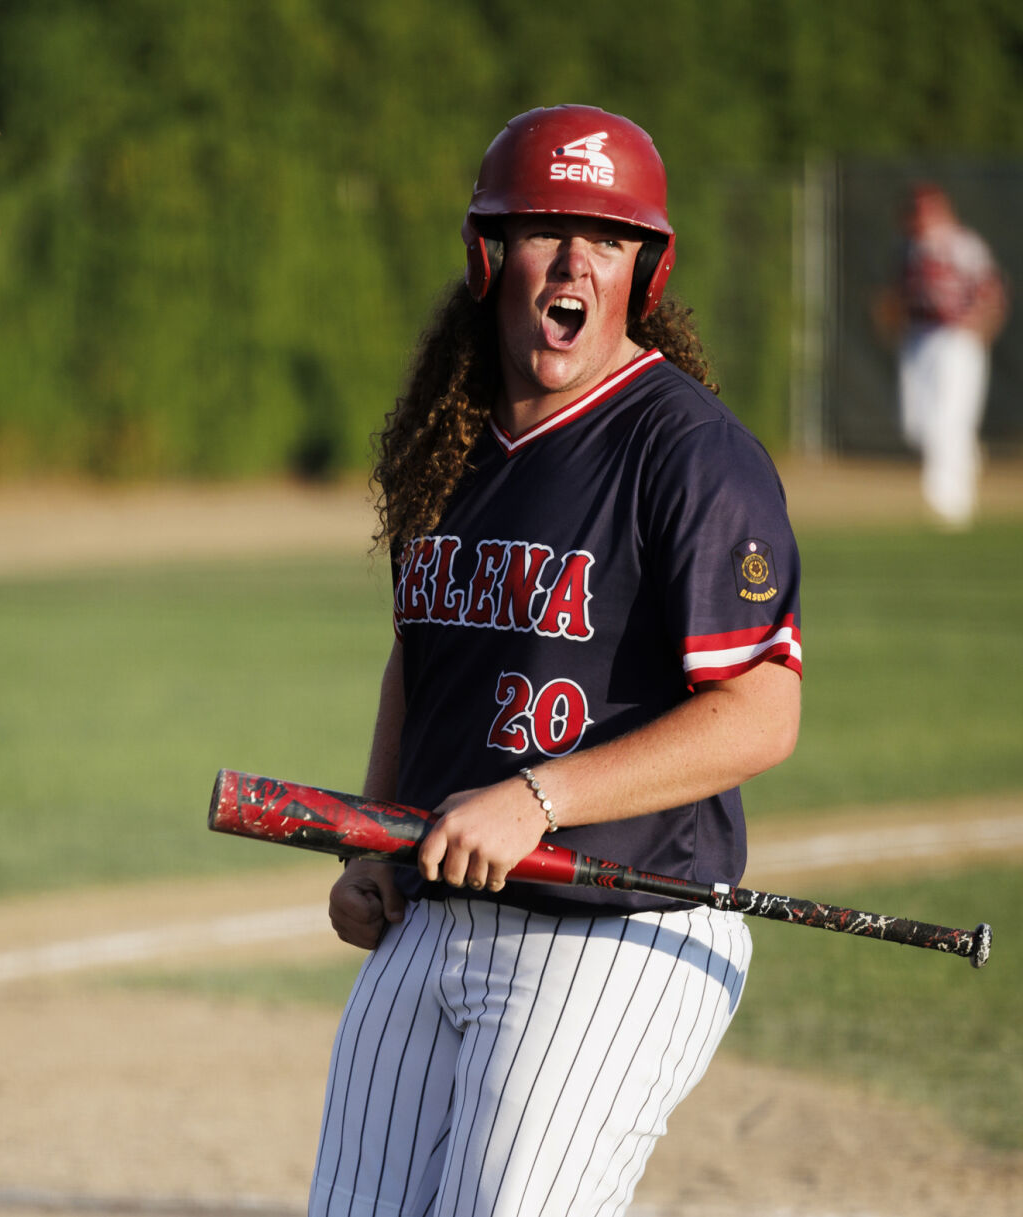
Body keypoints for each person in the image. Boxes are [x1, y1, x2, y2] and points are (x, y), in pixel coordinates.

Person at [309, 105, 803, 1217]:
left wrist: (542, 796)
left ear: (647, 269)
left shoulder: (690, 454)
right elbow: (416, 663)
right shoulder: (451, 439)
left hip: (622, 924)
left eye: (608, 236)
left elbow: (762, 709)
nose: (575, 262)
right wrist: (375, 840)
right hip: (440, 910)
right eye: (544, 229)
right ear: (491, 256)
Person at [892, 183, 1008, 529]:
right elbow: (901, 295)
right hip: (919, 337)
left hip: (957, 337)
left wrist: (980, 329)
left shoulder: (963, 245)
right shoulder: (911, 249)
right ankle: (966, 458)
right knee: (916, 424)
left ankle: (950, 505)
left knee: (950, 419)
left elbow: (993, 290)